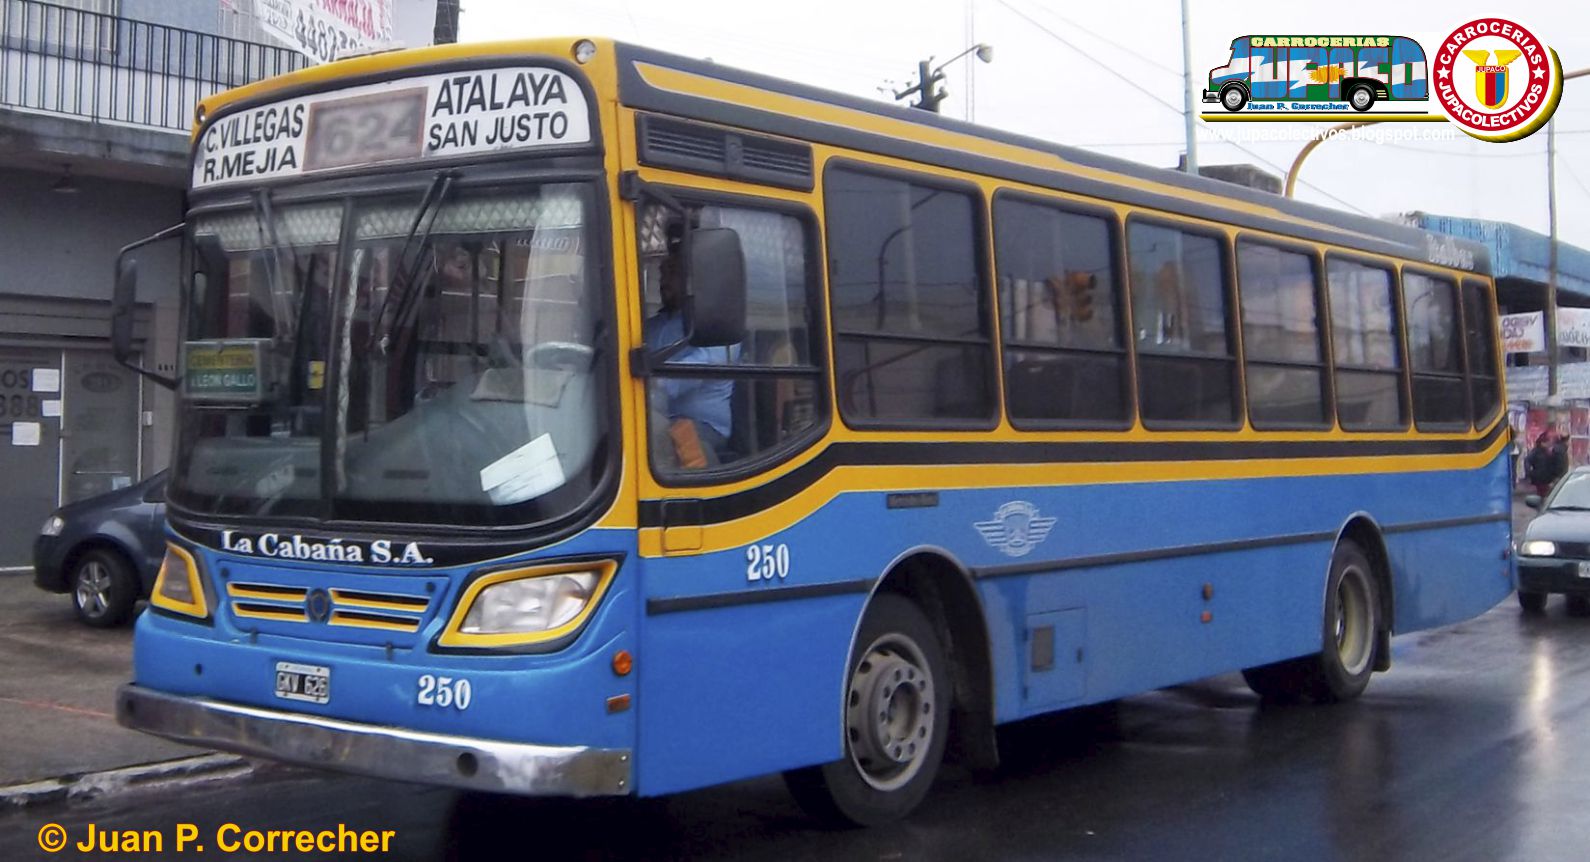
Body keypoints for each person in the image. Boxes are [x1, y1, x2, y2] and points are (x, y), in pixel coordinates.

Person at [645, 242, 740, 467]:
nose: (664, 280)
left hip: (703, 427)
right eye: (662, 272)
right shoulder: (652, 327)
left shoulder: (718, 326)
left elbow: (696, 370)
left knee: (653, 431)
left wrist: (653, 383)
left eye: (672, 272)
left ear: (694, 280)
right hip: (657, 417)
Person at [1526, 430, 1569, 497]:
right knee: (1544, 495)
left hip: (1546, 478)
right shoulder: (1537, 452)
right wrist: (1530, 473)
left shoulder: (1550, 451)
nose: (1549, 443)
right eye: (1547, 442)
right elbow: (1528, 461)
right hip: (1541, 479)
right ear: (1542, 443)